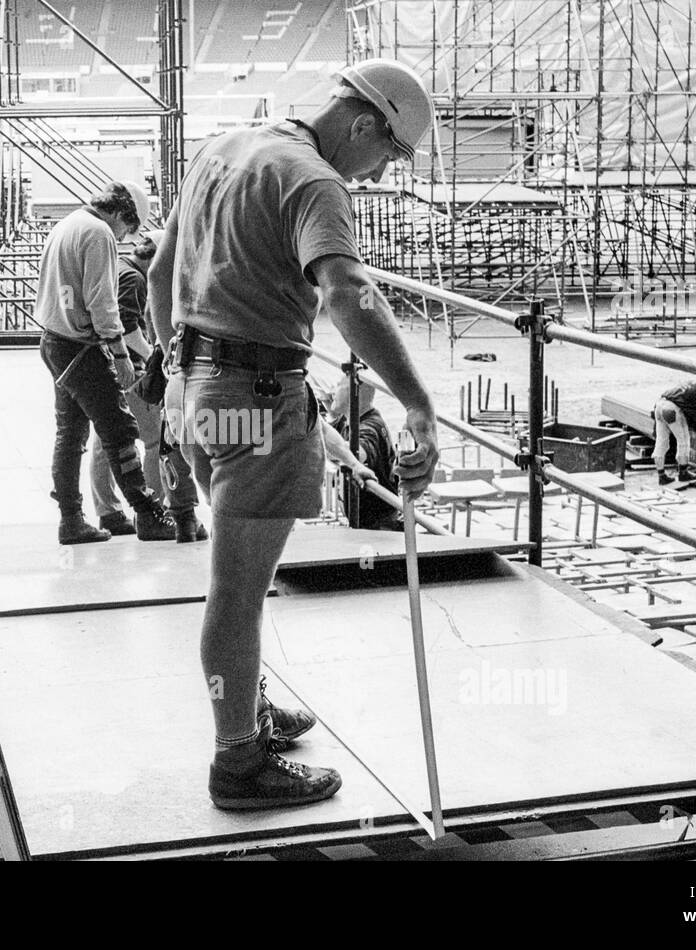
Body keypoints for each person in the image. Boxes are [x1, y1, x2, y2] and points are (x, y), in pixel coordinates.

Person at [150, 58, 439, 811]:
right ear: (364, 122)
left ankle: (245, 706)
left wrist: (178, 367)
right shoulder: (316, 182)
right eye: (389, 156)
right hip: (254, 400)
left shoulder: (223, 148)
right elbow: (348, 290)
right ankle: (239, 761)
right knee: (238, 592)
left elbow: (158, 269)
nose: (380, 175)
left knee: (235, 576)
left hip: (199, 394)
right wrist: (417, 404)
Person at [36, 181, 174, 545]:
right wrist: (120, 355)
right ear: (121, 214)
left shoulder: (67, 225)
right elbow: (102, 301)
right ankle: (149, 514)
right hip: (82, 347)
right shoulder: (98, 233)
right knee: (120, 431)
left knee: (70, 436)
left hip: (54, 341)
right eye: (129, 228)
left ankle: (72, 519)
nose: (127, 236)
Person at [89, 233, 208, 542]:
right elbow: (128, 330)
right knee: (156, 441)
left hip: (100, 361)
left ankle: (108, 510)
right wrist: (158, 355)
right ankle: (158, 512)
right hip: (126, 366)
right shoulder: (135, 278)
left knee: (107, 441)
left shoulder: (120, 269)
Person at [326, 375, 402, 530]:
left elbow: (358, 453)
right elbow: (326, 431)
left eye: (338, 385)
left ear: (355, 393)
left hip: (378, 526)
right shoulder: (350, 419)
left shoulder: (369, 427)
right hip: (369, 519)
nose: (332, 390)